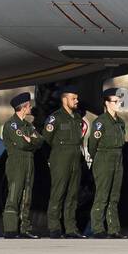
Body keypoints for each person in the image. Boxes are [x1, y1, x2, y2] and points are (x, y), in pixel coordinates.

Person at [42, 87, 85, 239]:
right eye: (74, 98)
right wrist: (52, 158)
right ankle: (54, 228)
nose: (76, 101)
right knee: (58, 194)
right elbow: (46, 139)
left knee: (72, 195)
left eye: (77, 98)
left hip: (75, 160)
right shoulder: (55, 118)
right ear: (65, 99)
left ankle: (71, 228)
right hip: (60, 160)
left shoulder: (77, 118)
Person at [1, 92, 44, 239]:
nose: (30, 107)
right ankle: (10, 229)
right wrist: (30, 141)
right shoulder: (11, 125)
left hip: (29, 161)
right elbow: (21, 143)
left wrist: (30, 140)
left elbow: (40, 141)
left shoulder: (28, 125)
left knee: (27, 196)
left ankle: (24, 228)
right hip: (16, 161)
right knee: (14, 194)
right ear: (23, 107)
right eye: (28, 105)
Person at [87, 87, 127, 238]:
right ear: (107, 103)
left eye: (119, 101)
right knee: (102, 196)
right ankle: (97, 228)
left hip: (118, 158)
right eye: (115, 101)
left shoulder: (120, 123)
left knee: (114, 196)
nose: (118, 103)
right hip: (103, 158)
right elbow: (92, 144)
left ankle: (113, 229)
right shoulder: (100, 122)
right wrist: (97, 159)